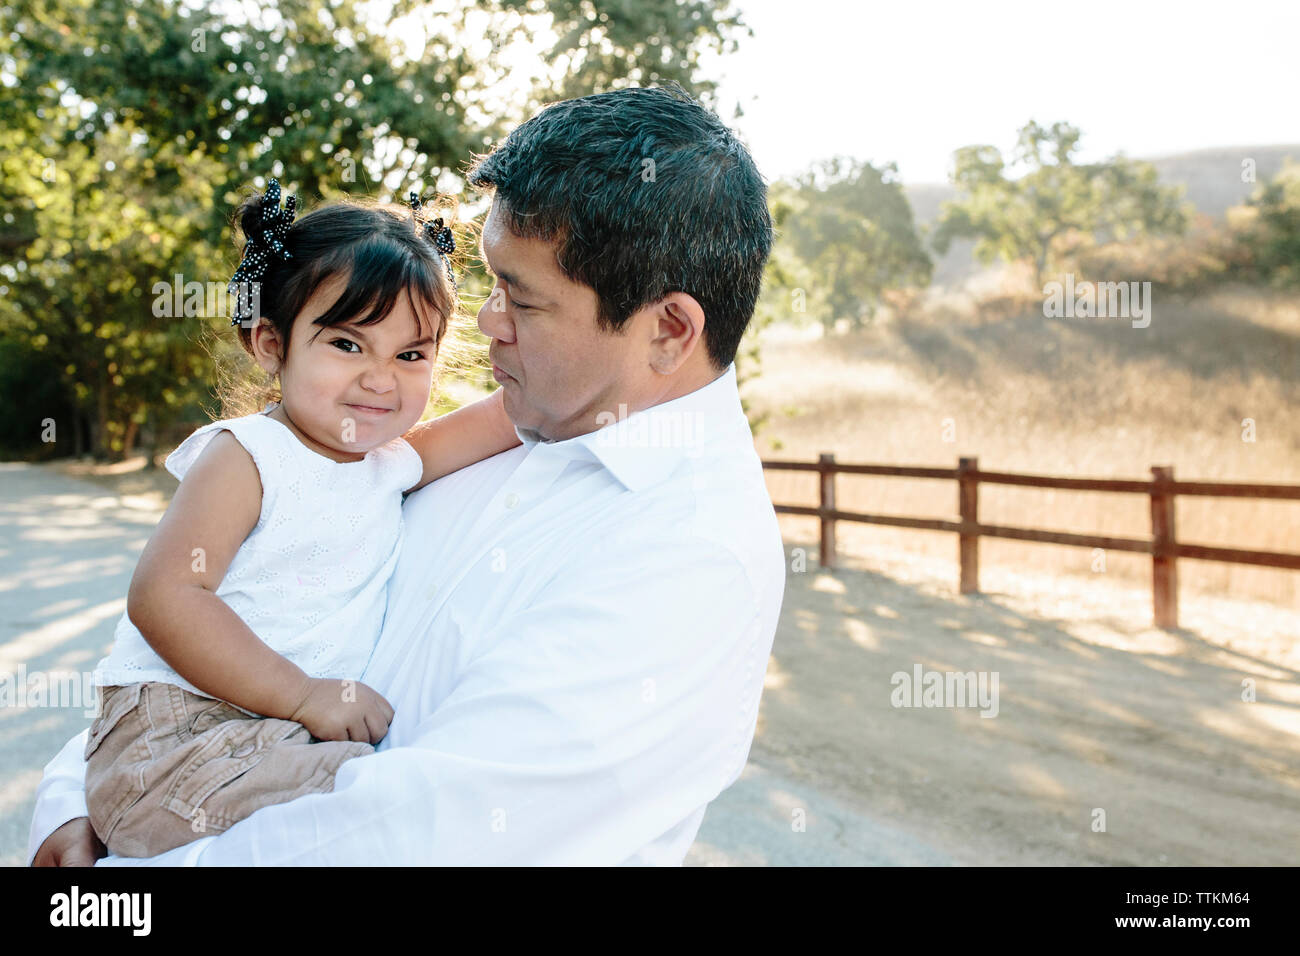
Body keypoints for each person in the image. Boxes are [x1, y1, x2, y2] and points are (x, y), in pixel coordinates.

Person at [30, 84, 786, 866]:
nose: (486, 322)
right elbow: (203, 618)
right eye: (491, 284)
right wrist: (65, 798)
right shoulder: (497, 432)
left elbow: (413, 841)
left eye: (520, 300)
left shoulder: (692, 557)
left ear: (667, 330)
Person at [73, 182, 521, 857]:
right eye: (347, 344)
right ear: (269, 343)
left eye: (410, 355)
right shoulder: (248, 456)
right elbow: (163, 596)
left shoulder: (388, 463)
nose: (380, 379)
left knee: (399, 804)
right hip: (179, 735)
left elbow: (511, 415)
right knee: (387, 804)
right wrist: (305, 695)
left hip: (263, 739)